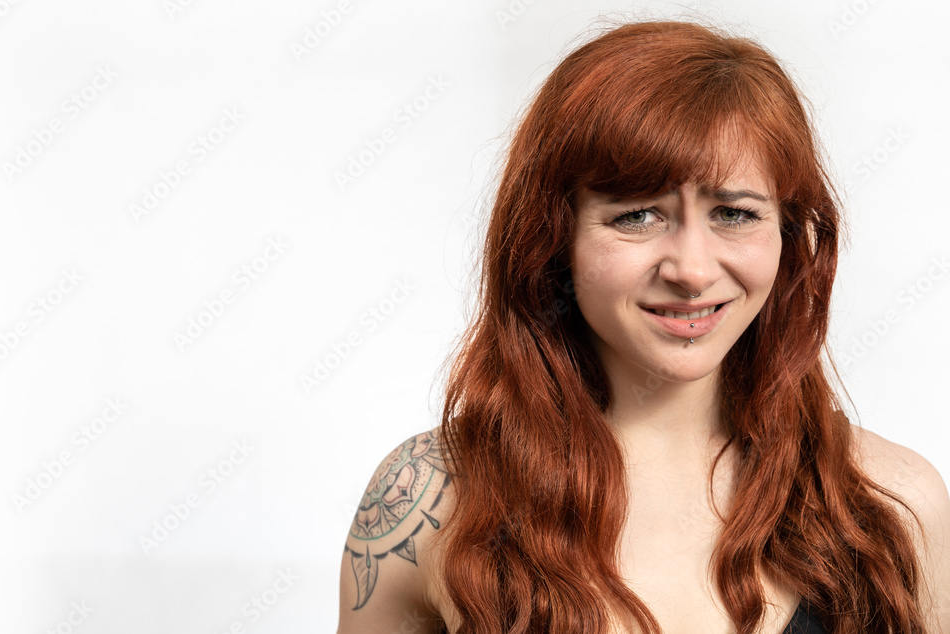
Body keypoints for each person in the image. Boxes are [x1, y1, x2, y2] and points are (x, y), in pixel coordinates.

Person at [337, 19, 950, 634]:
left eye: (734, 213)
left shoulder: (894, 503)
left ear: (789, 238)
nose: (690, 269)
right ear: (554, 240)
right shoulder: (427, 501)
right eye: (636, 217)